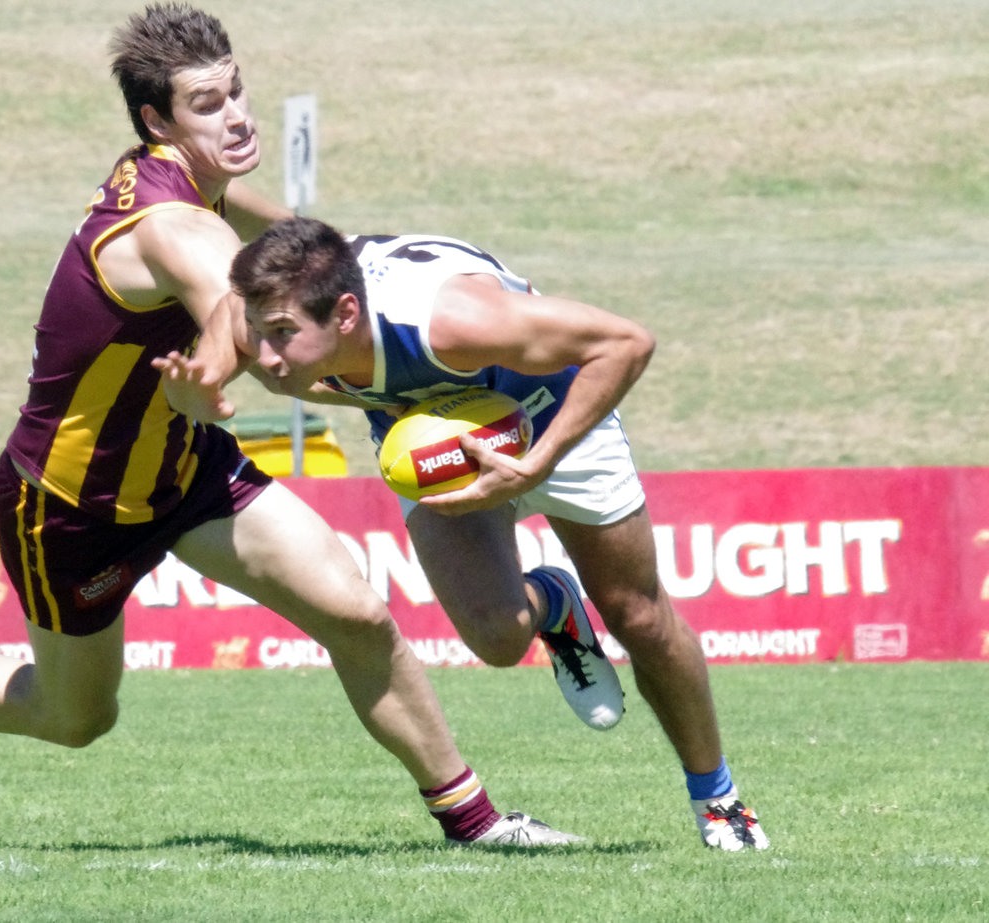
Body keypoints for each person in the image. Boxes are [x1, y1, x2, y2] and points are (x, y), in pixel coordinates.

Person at [0, 3, 580, 849]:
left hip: (190, 472)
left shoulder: (203, 187)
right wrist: (242, 377)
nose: (239, 114)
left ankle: (476, 823)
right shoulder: (171, 226)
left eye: (238, 92)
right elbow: (241, 309)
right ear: (157, 121)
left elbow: (288, 246)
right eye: (209, 105)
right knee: (73, 718)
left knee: (358, 614)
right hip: (72, 503)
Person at [155, 217, 771, 851]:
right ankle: (553, 603)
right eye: (259, 335)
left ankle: (719, 799)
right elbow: (226, 332)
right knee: (497, 639)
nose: (268, 355)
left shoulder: (453, 322)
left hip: (549, 410)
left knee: (638, 615)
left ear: (345, 314)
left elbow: (626, 343)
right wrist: (193, 398)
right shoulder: (255, 326)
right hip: (429, 431)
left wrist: (539, 462)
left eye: (284, 335)